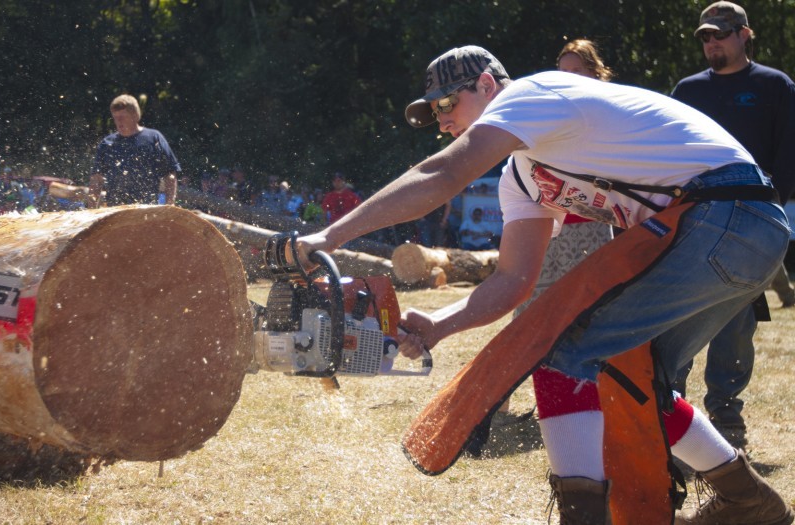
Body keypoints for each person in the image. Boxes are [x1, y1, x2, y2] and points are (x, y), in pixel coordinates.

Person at [296, 45, 792, 524]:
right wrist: (439, 326)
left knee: (563, 354)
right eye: (433, 115)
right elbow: (513, 279)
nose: (443, 122)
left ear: (487, 85)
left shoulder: (536, 92)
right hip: (736, 231)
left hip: (727, 216)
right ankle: (748, 501)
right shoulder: (522, 176)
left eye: (447, 105)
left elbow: (442, 174)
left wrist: (331, 235)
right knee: (634, 379)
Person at [670, 1, 795, 451]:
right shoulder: (687, 91)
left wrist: (775, 216)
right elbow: (670, 156)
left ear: (745, 34)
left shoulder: (774, 85)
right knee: (676, 318)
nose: (711, 42)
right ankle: (669, 411)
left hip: (751, 224)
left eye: (720, 34)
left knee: (735, 323)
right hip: (692, 221)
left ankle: (726, 416)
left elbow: (789, 155)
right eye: (705, 36)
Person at [88, 94, 179, 207]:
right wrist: (91, 208)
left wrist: (169, 205)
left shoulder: (153, 138)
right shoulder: (107, 143)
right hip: (114, 209)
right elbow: (97, 178)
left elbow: (170, 173)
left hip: (146, 209)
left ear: (135, 116)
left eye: (122, 116)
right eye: (115, 117)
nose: (118, 121)